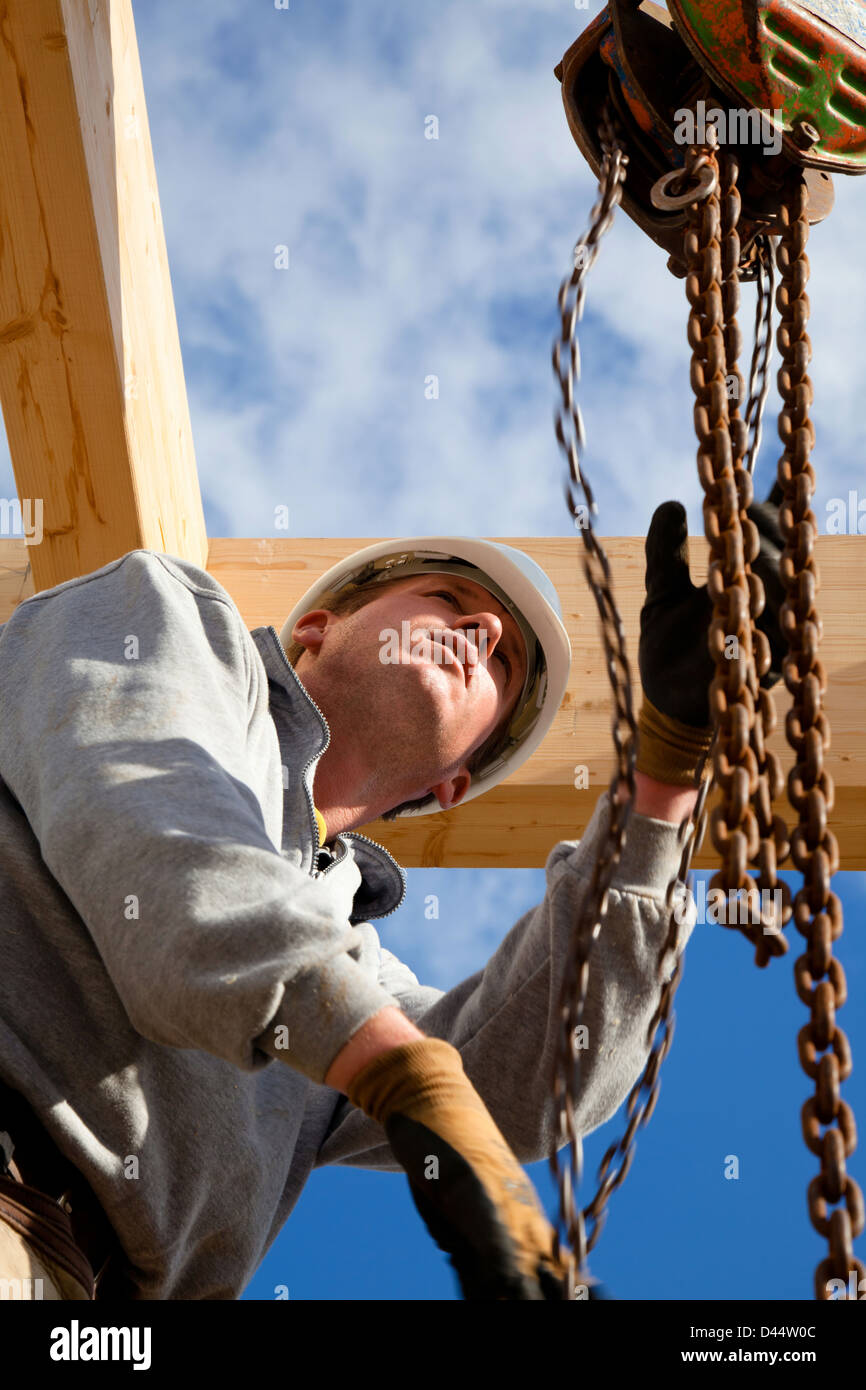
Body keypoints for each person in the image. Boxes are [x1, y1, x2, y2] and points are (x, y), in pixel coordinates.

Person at [0, 495, 785, 1301]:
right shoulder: (162, 610)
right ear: (319, 627)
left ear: (453, 784)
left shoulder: (356, 967)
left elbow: (537, 1077)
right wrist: (404, 1073)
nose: (479, 634)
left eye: (504, 663)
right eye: (448, 599)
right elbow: (157, 839)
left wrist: (669, 763)